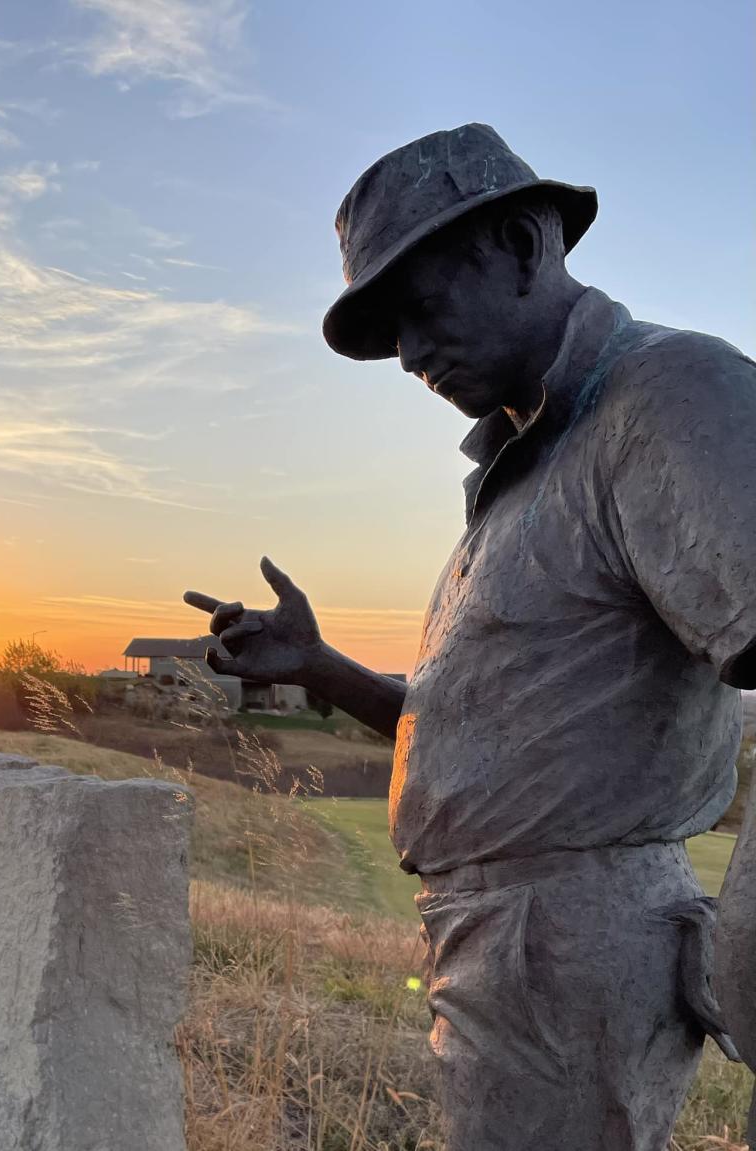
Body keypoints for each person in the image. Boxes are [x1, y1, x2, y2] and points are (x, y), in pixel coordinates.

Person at [185, 123, 756, 1150]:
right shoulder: (522, 478)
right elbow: (484, 743)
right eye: (389, 326)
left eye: (422, 305)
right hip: (502, 943)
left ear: (527, 246)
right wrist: (321, 670)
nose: (406, 354)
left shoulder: (668, 397)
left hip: (569, 944)